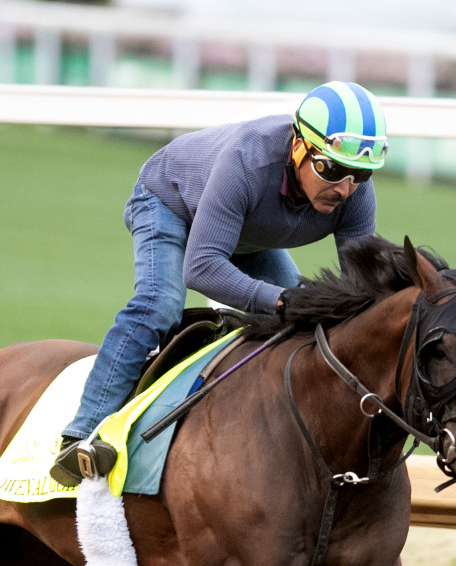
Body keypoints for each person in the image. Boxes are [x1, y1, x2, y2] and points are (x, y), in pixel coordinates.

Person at [50, 80, 389, 486]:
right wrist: (279, 300)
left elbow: (363, 290)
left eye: (360, 174)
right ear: (298, 146)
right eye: (331, 169)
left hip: (245, 232)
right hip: (169, 204)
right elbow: (203, 268)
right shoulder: (247, 162)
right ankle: (81, 433)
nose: (344, 188)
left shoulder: (354, 195)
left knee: (306, 323)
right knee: (160, 303)